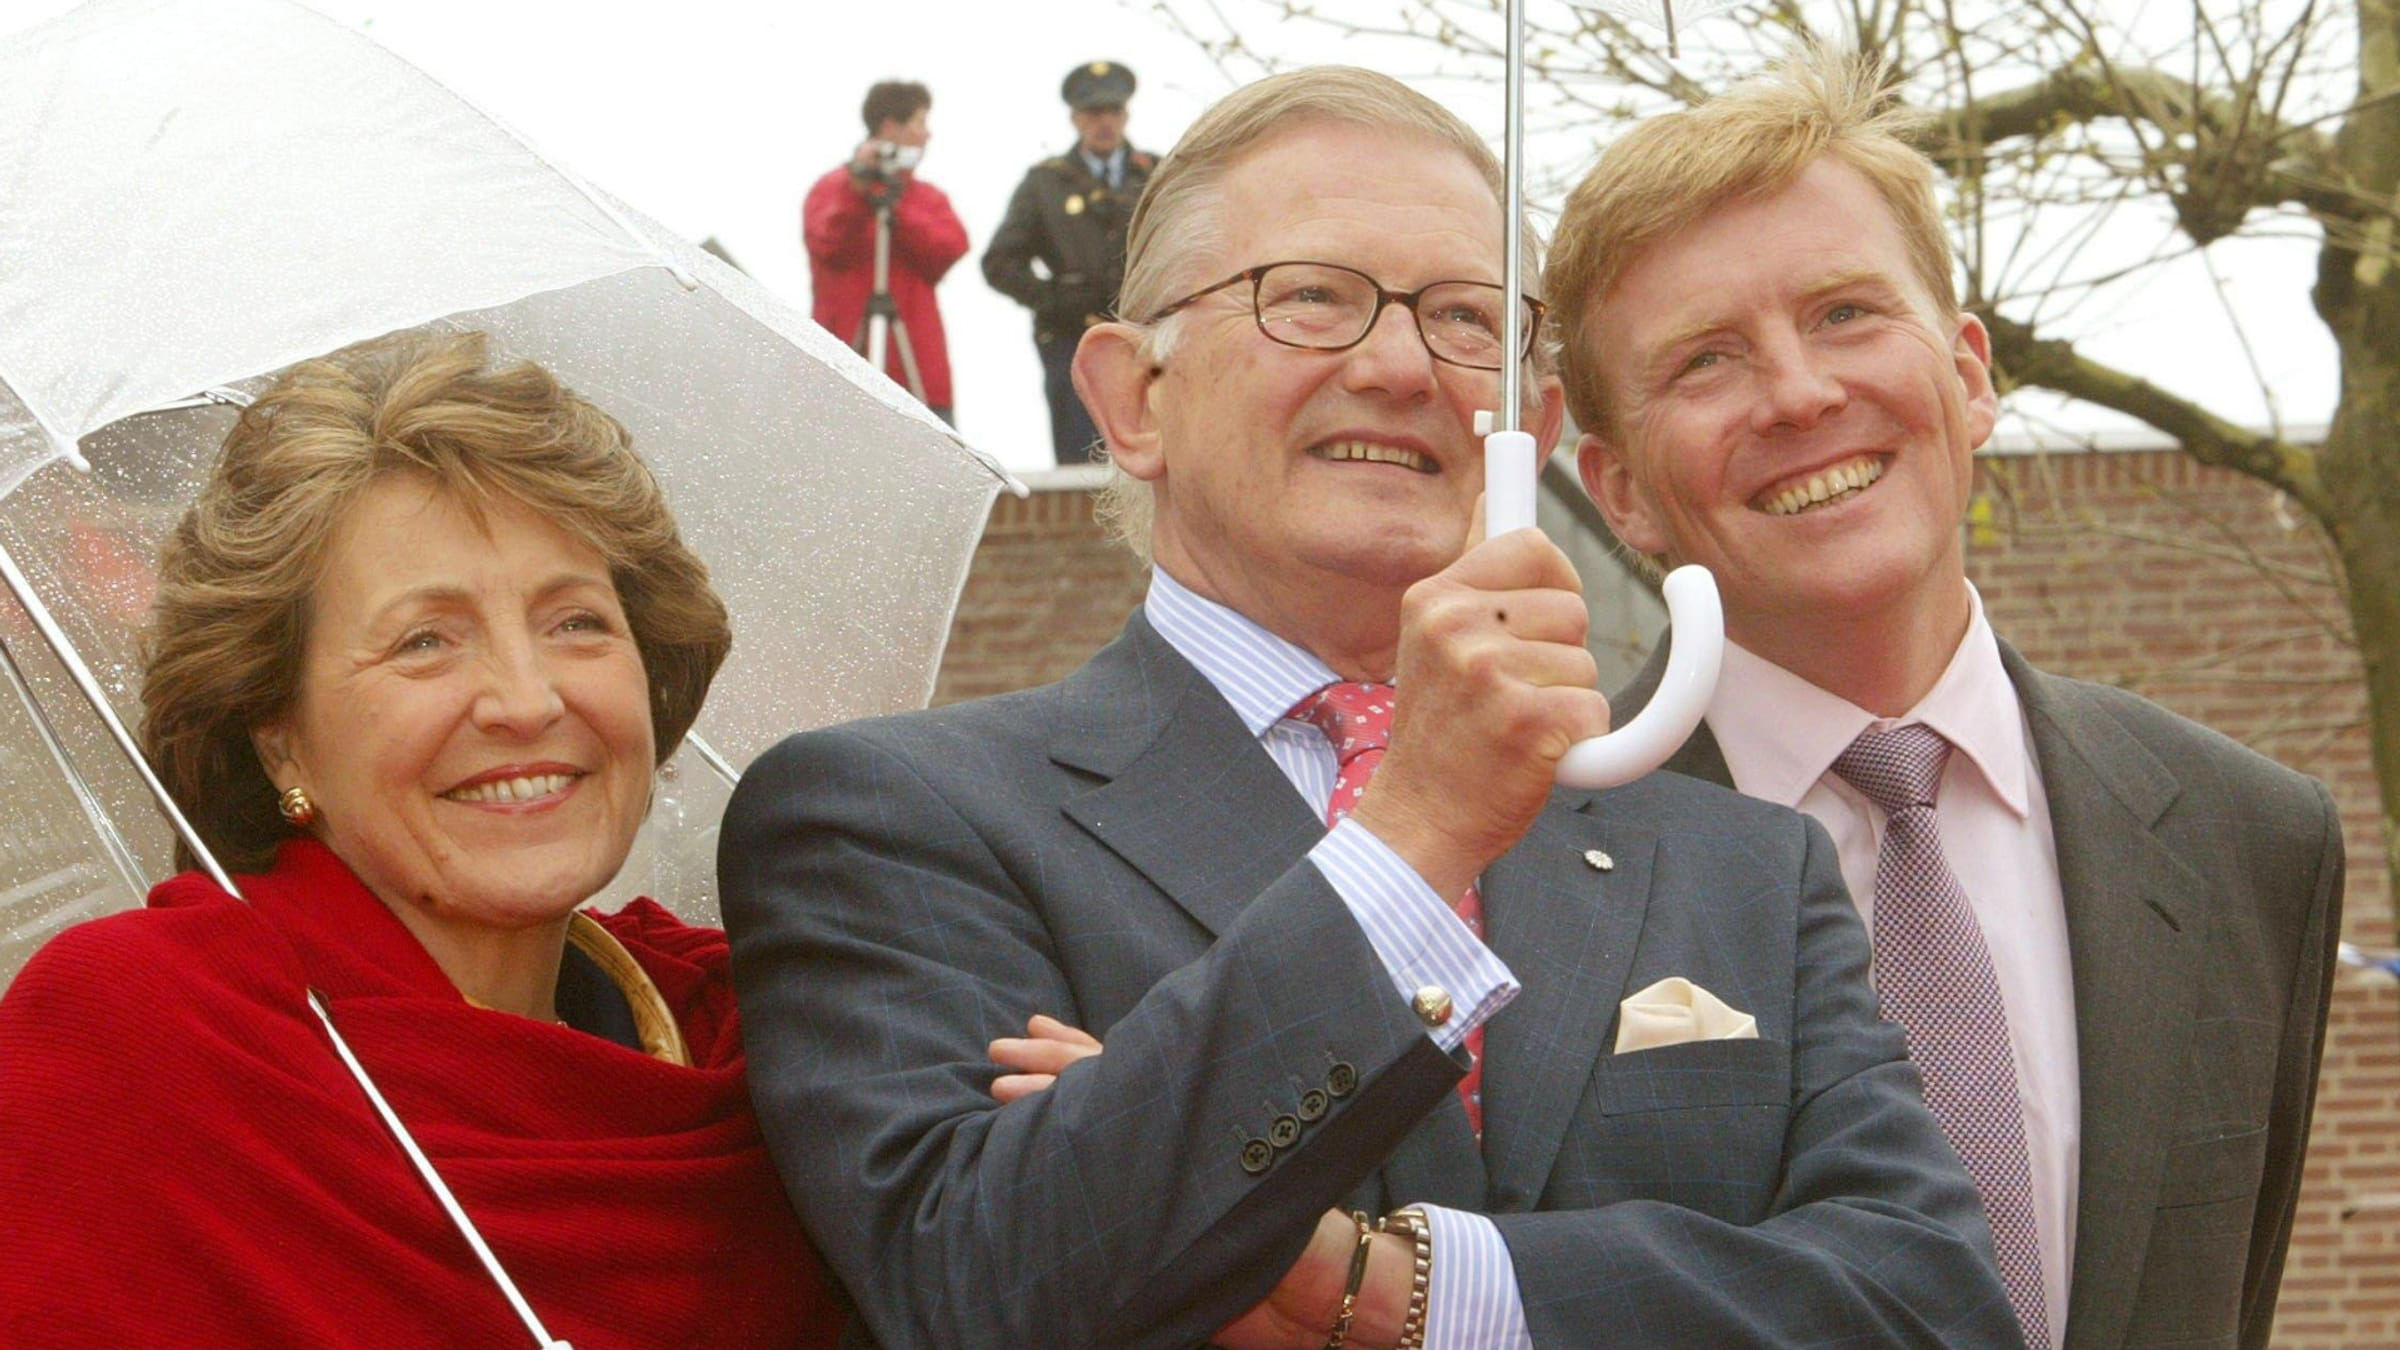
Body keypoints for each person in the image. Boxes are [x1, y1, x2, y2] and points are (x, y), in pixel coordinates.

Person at [723, 66, 2020, 1350]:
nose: (1402, 366)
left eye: (1464, 319)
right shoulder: (889, 820)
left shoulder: (1742, 861)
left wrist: (1400, 1286)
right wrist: (1413, 840)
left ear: (1537, 422)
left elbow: (1935, 1306)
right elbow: (983, 1280)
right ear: (1128, 394)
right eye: (1312, 300)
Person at [1554, 46, 2344, 1350]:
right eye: (1705, 361)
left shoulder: (2250, 835)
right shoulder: (1516, 869)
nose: (1801, 392)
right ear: (1618, 486)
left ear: (1970, 374)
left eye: (1847, 314)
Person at [0, 331, 846, 1350]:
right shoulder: (137, 1046)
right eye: (425, 641)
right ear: (277, 735)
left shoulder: (769, 1054)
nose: (527, 701)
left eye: (576, 622)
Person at [982, 59, 1157, 464]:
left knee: (1155, 456)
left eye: (1113, 112)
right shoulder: (1046, 182)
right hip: (1073, 341)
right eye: (1095, 113)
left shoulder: (1155, 175)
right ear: (1076, 118)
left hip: (1146, 336)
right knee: (1081, 466)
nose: (1105, 123)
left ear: (1126, 114)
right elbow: (1000, 262)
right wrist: (1055, 298)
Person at [805, 79, 969, 423]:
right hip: (845, 367)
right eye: (920, 123)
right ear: (891, 127)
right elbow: (828, 244)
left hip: (918, 377)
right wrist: (857, 194)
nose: (927, 135)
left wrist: (894, 208)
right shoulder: (833, 189)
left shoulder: (925, 198)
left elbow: (950, 247)